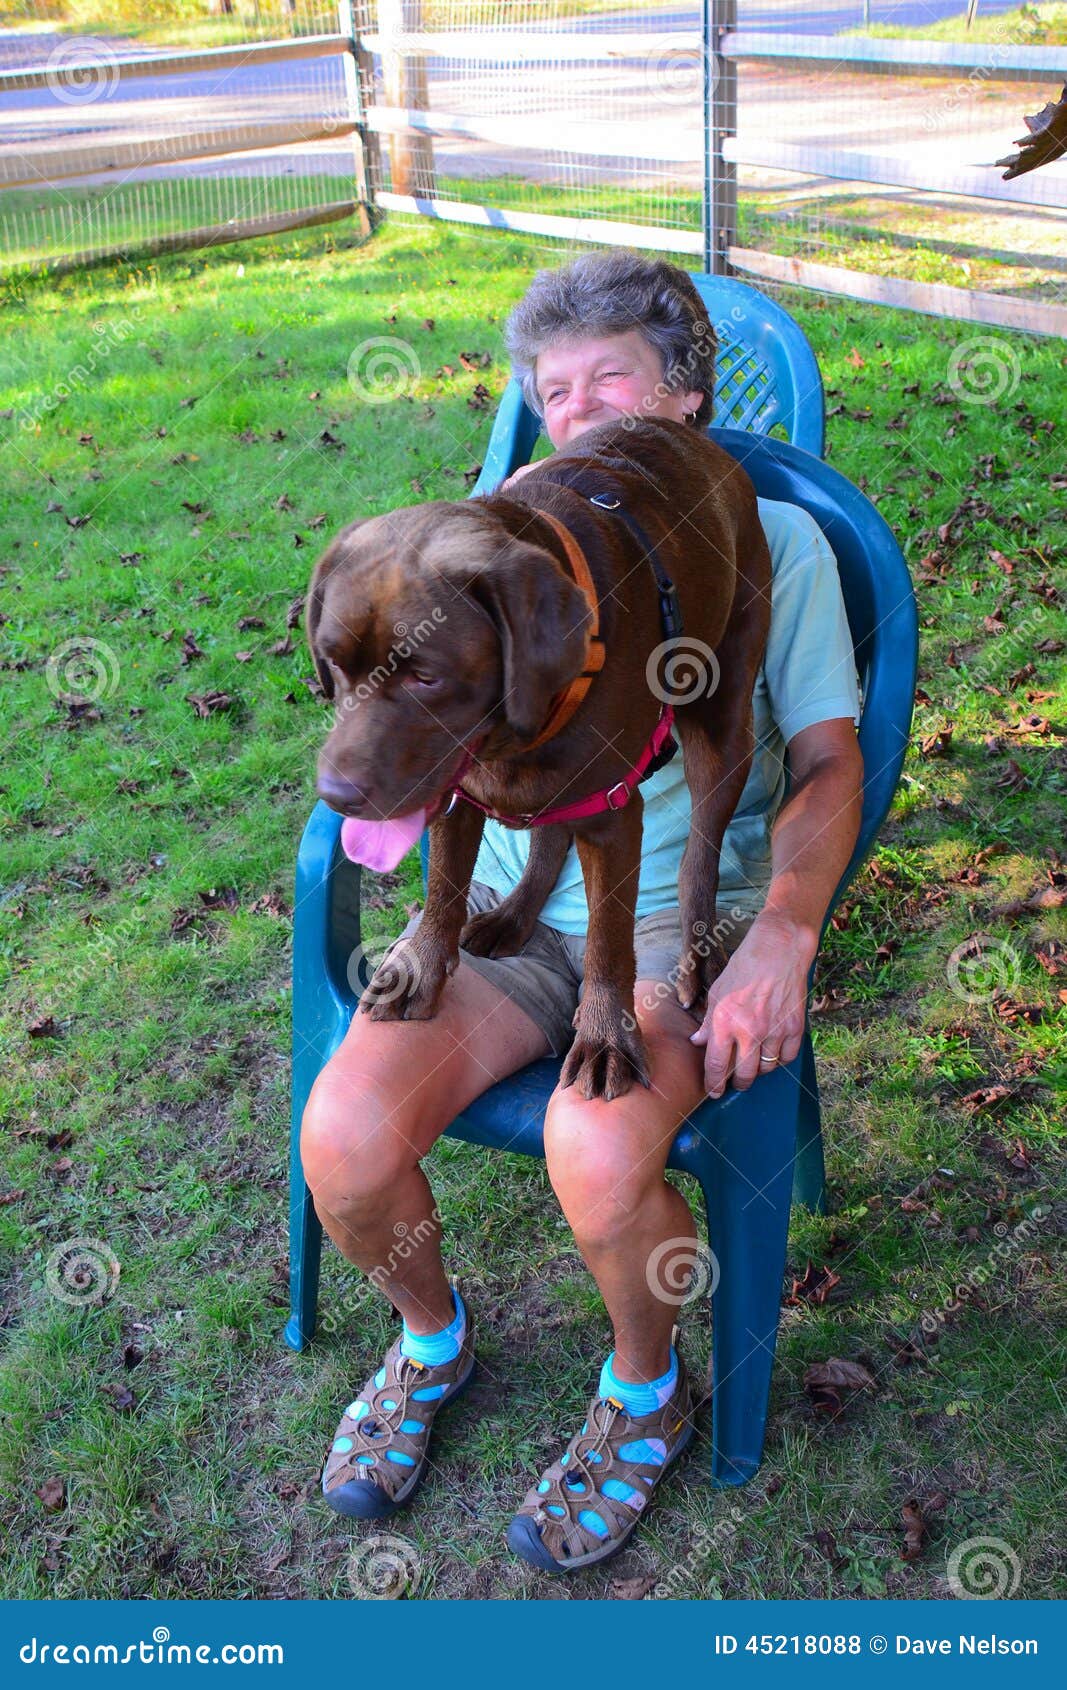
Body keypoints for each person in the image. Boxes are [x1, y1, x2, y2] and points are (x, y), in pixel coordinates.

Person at [301, 249, 863, 1574]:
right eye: (553, 390)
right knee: (345, 1135)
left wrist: (783, 927)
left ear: (687, 398)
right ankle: (432, 1337)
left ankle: (644, 1393)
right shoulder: (487, 550)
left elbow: (834, 765)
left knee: (599, 1153)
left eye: (611, 376)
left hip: (685, 926)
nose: (579, 409)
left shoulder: (771, 540)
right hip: (505, 910)